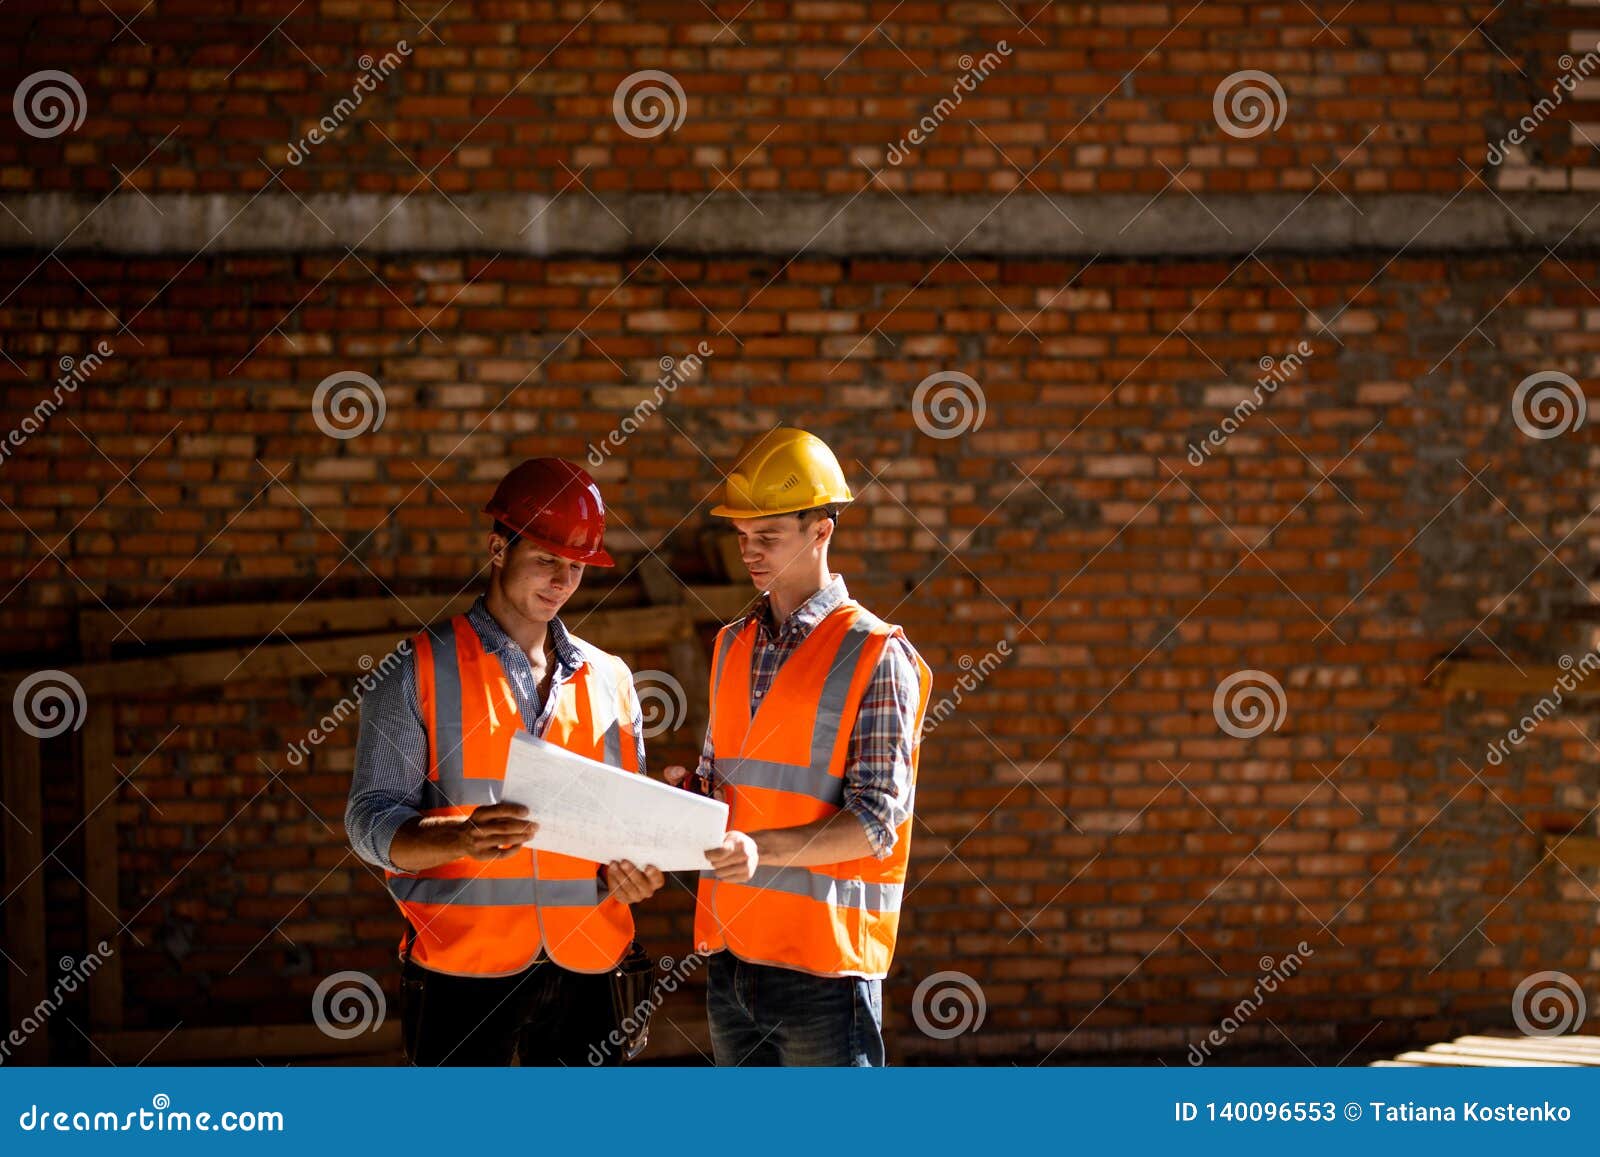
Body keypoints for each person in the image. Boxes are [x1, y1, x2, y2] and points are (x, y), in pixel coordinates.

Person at [346, 457, 665, 1066]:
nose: (562, 580)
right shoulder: (417, 668)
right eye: (546, 559)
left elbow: (628, 830)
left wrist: (637, 870)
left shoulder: (612, 680)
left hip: (591, 972)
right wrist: (460, 835)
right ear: (499, 548)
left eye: (575, 567)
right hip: (463, 973)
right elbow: (368, 824)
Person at [664, 427, 932, 1066]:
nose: (749, 554)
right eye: (742, 537)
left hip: (825, 972)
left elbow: (875, 825)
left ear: (821, 531)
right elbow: (728, 782)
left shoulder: (875, 654)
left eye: (768, 536)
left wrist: (761, 850)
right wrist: (685, 799)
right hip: (733, 961)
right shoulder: (733, 644)